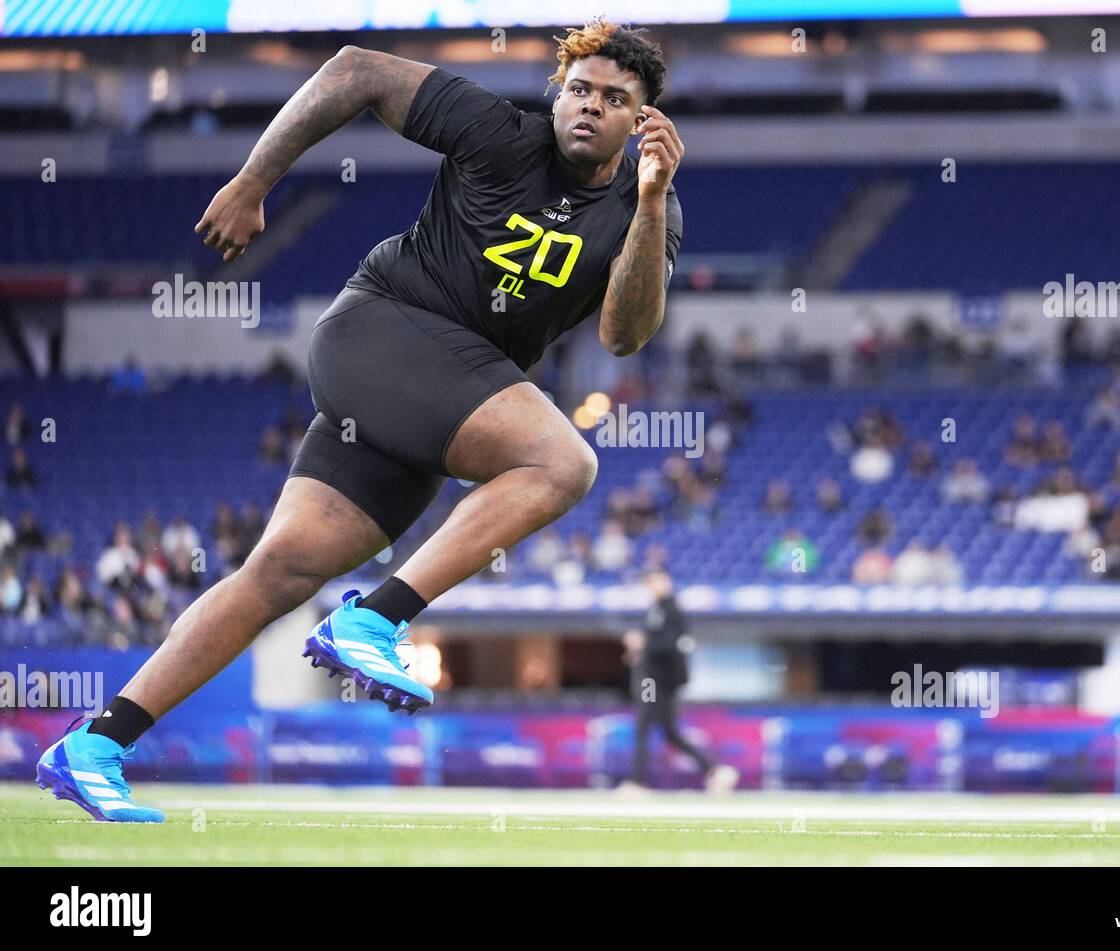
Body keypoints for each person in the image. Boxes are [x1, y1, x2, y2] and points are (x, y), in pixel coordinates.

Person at [37, 17, 685, 823]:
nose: (588, 106)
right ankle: (375, 620)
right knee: (563, 465)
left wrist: (652, 201)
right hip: (382, 334)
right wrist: (252, 182)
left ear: (644, 120)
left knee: (277, 573)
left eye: (613, 98)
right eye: (578, 89)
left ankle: (96, 743)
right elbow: (354, 70)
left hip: (441, 397)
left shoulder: (645, 205)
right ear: (557, 92)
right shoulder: (500, 132)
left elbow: (625, 337)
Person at [621, 570, 736, 795]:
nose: (653, 586)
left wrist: (643, 644)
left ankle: (636, 783)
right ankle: (714, 771)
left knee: (644, 724)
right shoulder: (654, 611)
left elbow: (669, 645)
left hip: (657, 681)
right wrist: (639, 652)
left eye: (657, 581)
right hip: (652, 677)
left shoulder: (672, 612)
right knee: (670, 732)